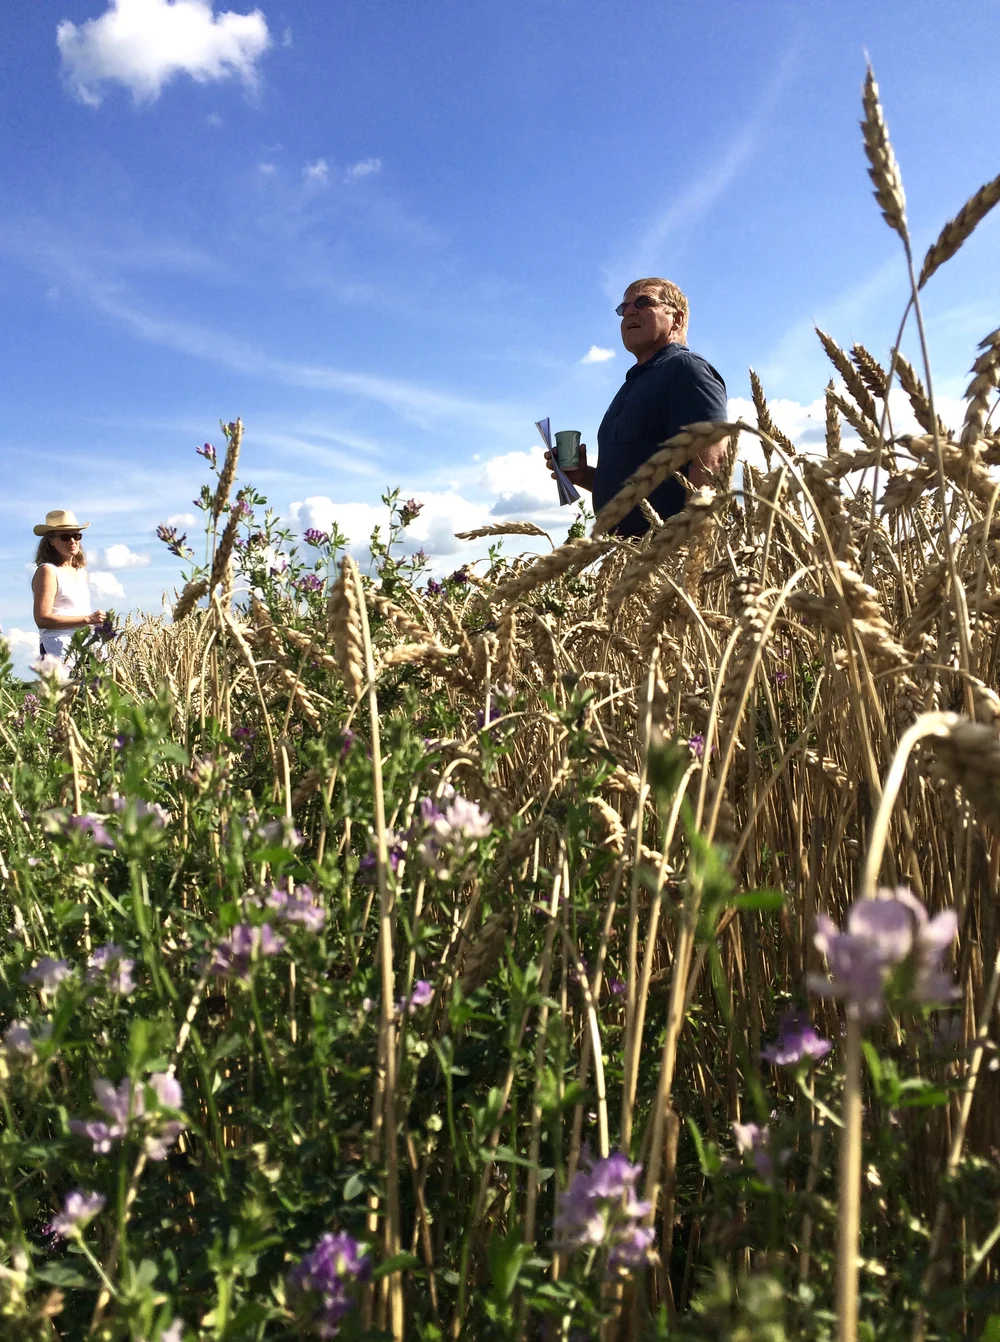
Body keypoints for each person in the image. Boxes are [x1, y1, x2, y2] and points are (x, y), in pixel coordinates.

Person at [547, 277, 728, 537]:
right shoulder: (633, 383)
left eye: (643, 302)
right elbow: (634, 483)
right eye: (623, 308)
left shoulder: (685, 370)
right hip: (627, 558)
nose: (629, 311)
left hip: (666, 559)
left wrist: (694, 550)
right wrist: (583, 476)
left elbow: (712, 466)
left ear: (676, 319)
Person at [31, 510, 107, 659]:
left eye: (76, 535)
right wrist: (87, 619)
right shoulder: (48, 571)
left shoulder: (80, 572)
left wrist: (95, 622)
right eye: (65, 536)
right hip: (59, 648)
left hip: (86, 645)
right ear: (51, 541)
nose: (72, 541)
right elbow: (42, 619)